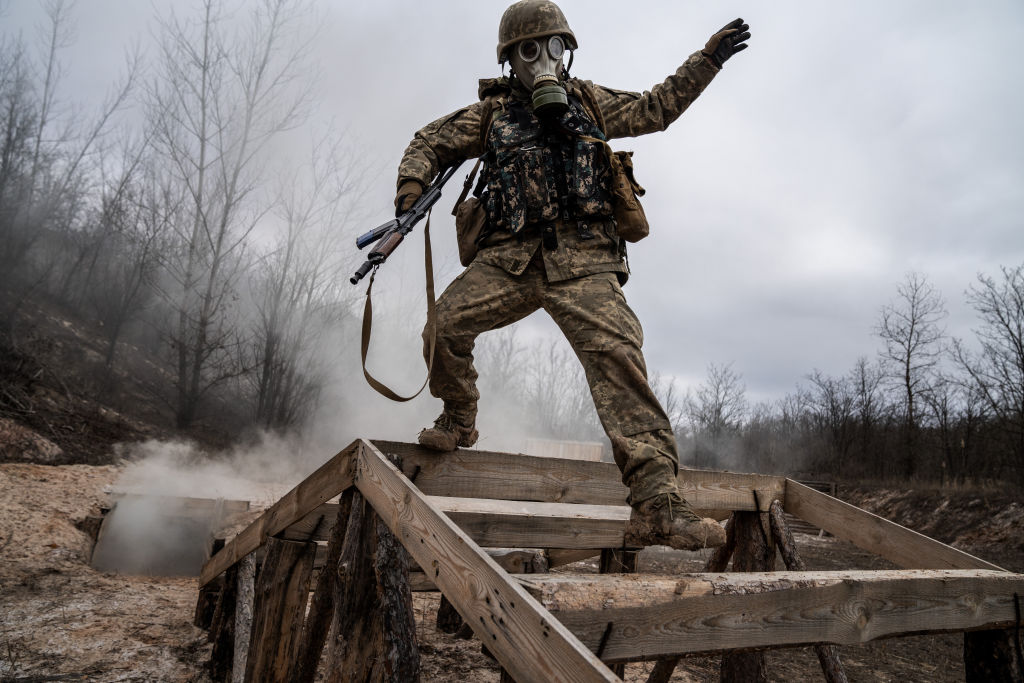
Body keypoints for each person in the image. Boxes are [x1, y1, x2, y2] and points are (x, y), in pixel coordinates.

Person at [393, 0, 749, 550]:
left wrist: (708, 60)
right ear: (511, 60)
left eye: (554, 48)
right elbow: (428, 141)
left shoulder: (590, 102)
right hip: (511, 260)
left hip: (584, 263)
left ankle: (658, 506)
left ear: (569, 53)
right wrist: (411, 190)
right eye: (530, 51)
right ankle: (460, 416)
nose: (544, 62)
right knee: (443, 327)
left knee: (622, 364)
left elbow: (658, 106)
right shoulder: (491, 114)